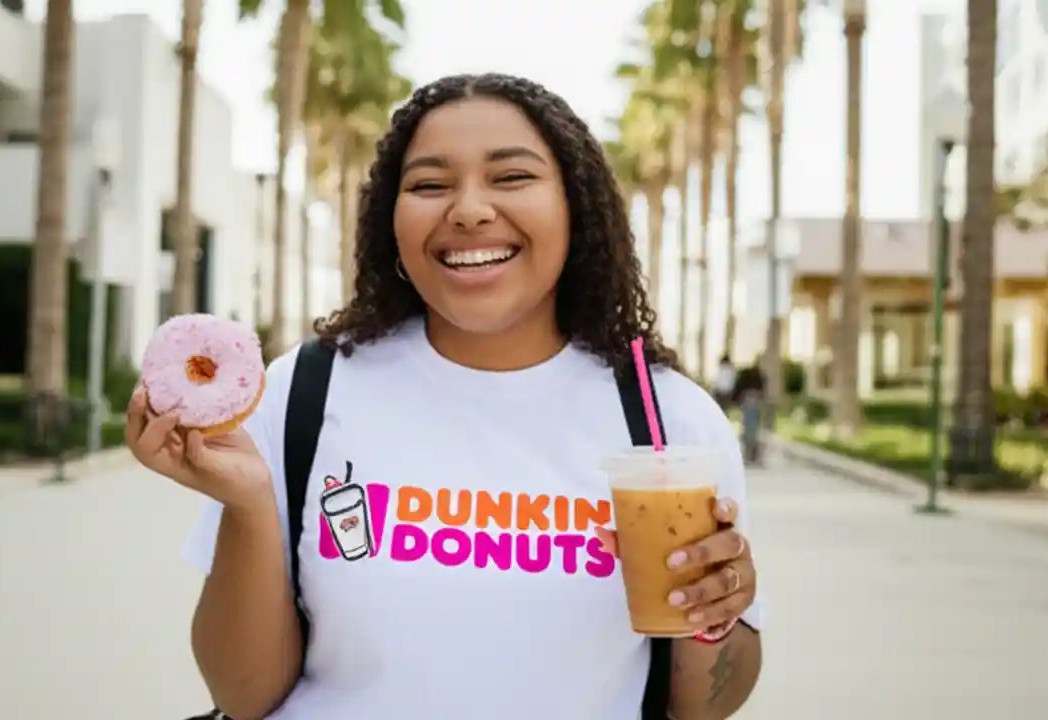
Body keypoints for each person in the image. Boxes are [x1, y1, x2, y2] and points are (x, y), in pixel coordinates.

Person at [126, 73, 764, 720]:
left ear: (576, 209)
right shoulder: (306, 390)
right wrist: (250, 503)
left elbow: (704, 708)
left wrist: (710, 615)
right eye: (429, 185)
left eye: (511, 177)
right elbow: (243, 694)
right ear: (391, 222)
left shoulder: (666, 420)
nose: (467, 209)